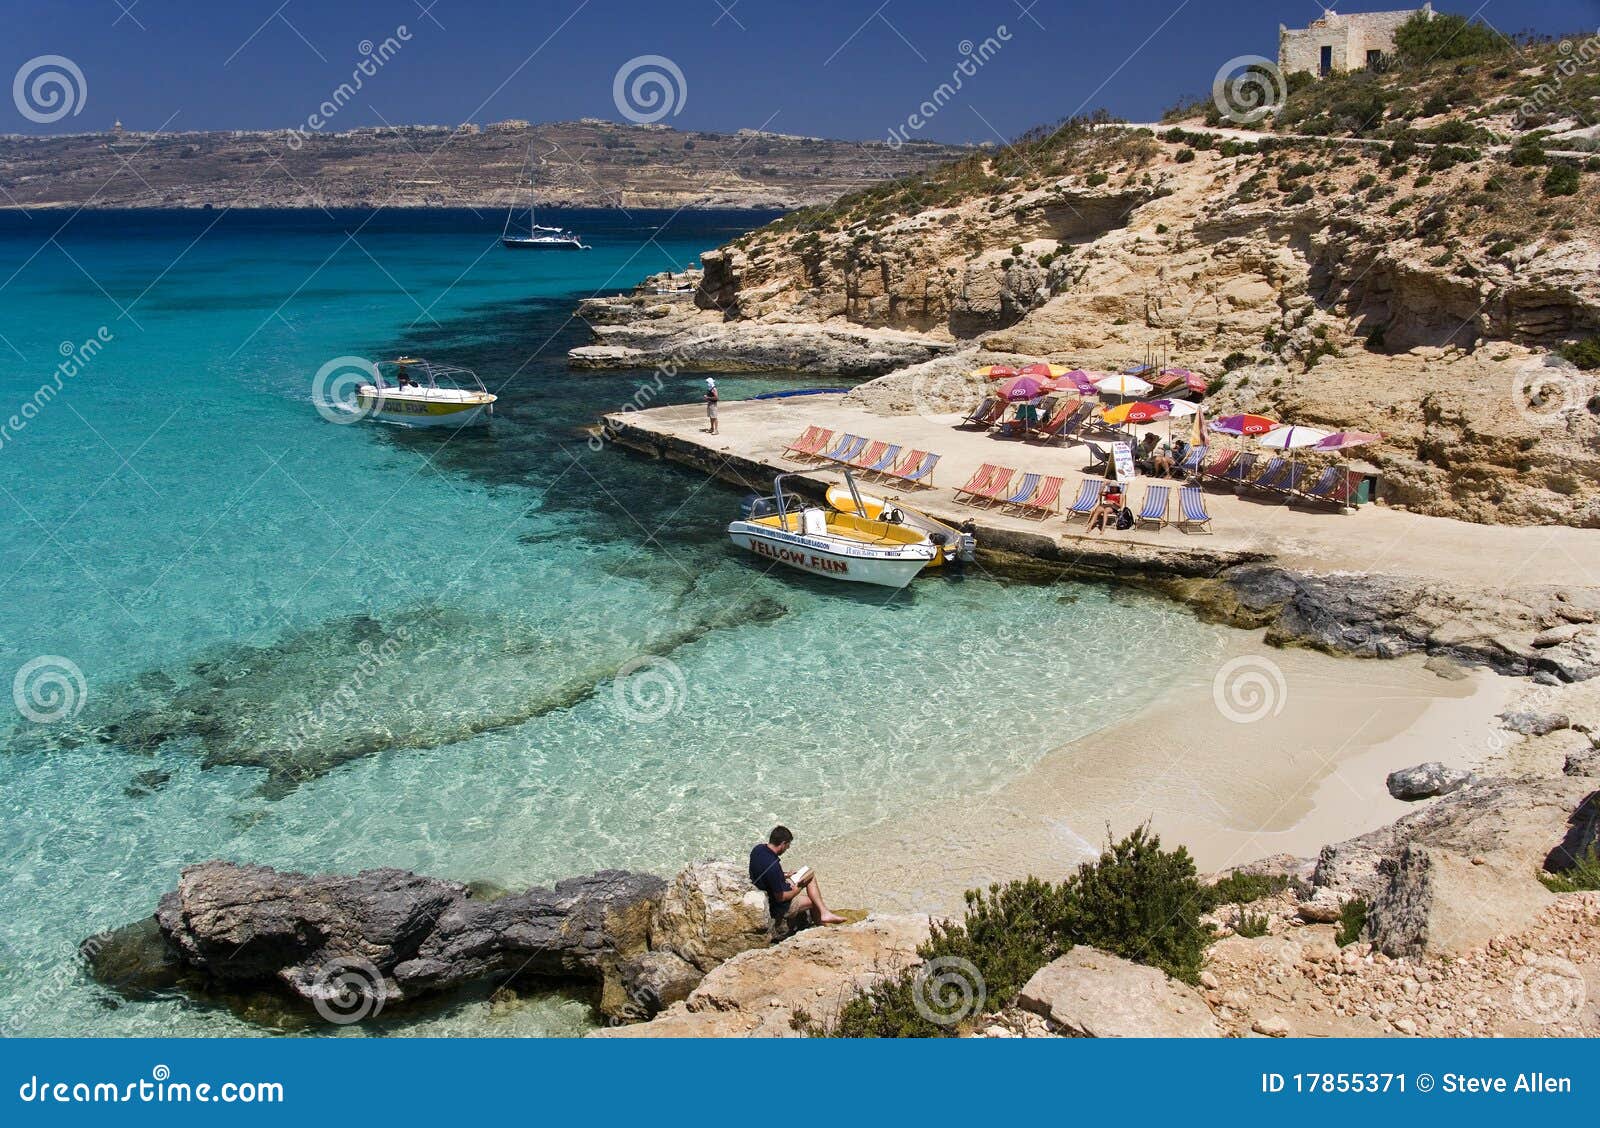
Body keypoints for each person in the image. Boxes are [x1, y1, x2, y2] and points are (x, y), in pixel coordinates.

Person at [748, 825, 845, 926]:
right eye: (788, 845)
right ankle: (822, 923)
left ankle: (824, 914)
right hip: (779, 906)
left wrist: (785, 875)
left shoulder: (758, 849)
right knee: (813, 901)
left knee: (809, 873)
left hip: (766, 889)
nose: (788, 848)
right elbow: (781, 898)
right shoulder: (773, 866)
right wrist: (797, 888)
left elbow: (764, 872)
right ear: (783, 843)